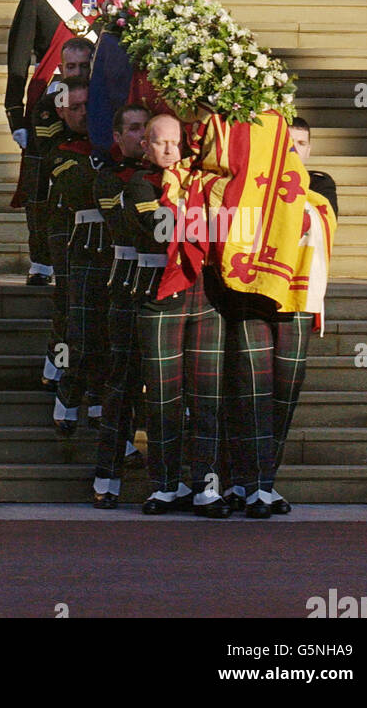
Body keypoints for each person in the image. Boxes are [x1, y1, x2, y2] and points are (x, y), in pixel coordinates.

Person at [216, 114, 338, 517]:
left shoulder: (320, 185)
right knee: (250, 394)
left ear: (310, 148)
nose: (294, 151)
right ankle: (245, 485)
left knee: (284, 396)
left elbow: (313, 224)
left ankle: (263, 484)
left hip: (297, 301)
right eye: (286, 144)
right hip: (253, 299)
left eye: (300, 144)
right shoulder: (253, 184)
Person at [126, 113, 230, 516]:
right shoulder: (140, 182)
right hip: (160, 295)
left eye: (176, 142)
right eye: (160, 142)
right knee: (164, 398)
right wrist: (209, 219)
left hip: (206, 294)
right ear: (145, 146)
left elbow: (232, 222)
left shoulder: (203, 180)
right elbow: (160, 226)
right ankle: (165, 486)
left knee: (207, 397)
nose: (170, 150)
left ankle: (207, 487)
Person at [5, 0, 114, 283]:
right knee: (39, 186)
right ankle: (41, 262)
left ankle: (91, 257)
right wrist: (14, 115)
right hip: (45, 103)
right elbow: (18, 57)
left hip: (91, 103)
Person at [90, 103, 150, 507]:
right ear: (117, 136)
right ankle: (106, 477)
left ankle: (171, 482)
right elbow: (132, 227)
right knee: (121, 386)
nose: (142, 137)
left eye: (149, 129)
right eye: (133, 129)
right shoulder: (110, 179)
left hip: (169, 287)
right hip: (129, 286)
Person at [27, 37, 95, 389]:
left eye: (86, 66)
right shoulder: (49, 104)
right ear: (61, 68)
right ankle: (57, 365)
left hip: (100, 218)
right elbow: (56, 151)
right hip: (65, 214)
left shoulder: (103, 100)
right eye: (72, 67)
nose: (79, 72)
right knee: (69, 295)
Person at [43, 75, 109, 436]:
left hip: (114, 247)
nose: (84, 114)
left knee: (107, 332)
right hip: (77, 239)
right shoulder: (62, 152)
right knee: (77, 324)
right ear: (62, 112)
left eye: (89, 107)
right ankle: (66, 394)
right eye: (76, 108)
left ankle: (98, 402)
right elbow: (78, 188)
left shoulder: (112, 148)